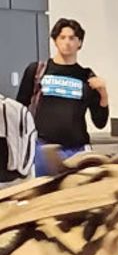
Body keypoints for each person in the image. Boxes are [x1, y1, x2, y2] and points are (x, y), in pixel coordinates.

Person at [19, 18, 108, 173]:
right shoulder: (38, 71)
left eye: (72, 38)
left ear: (79, 43)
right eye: (62, 37)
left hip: (78, 150)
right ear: (55, 41)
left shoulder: (87, 76)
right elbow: (19, 107)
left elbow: (100, 122)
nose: (67, 42)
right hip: (43, 148)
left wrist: (103, 93)